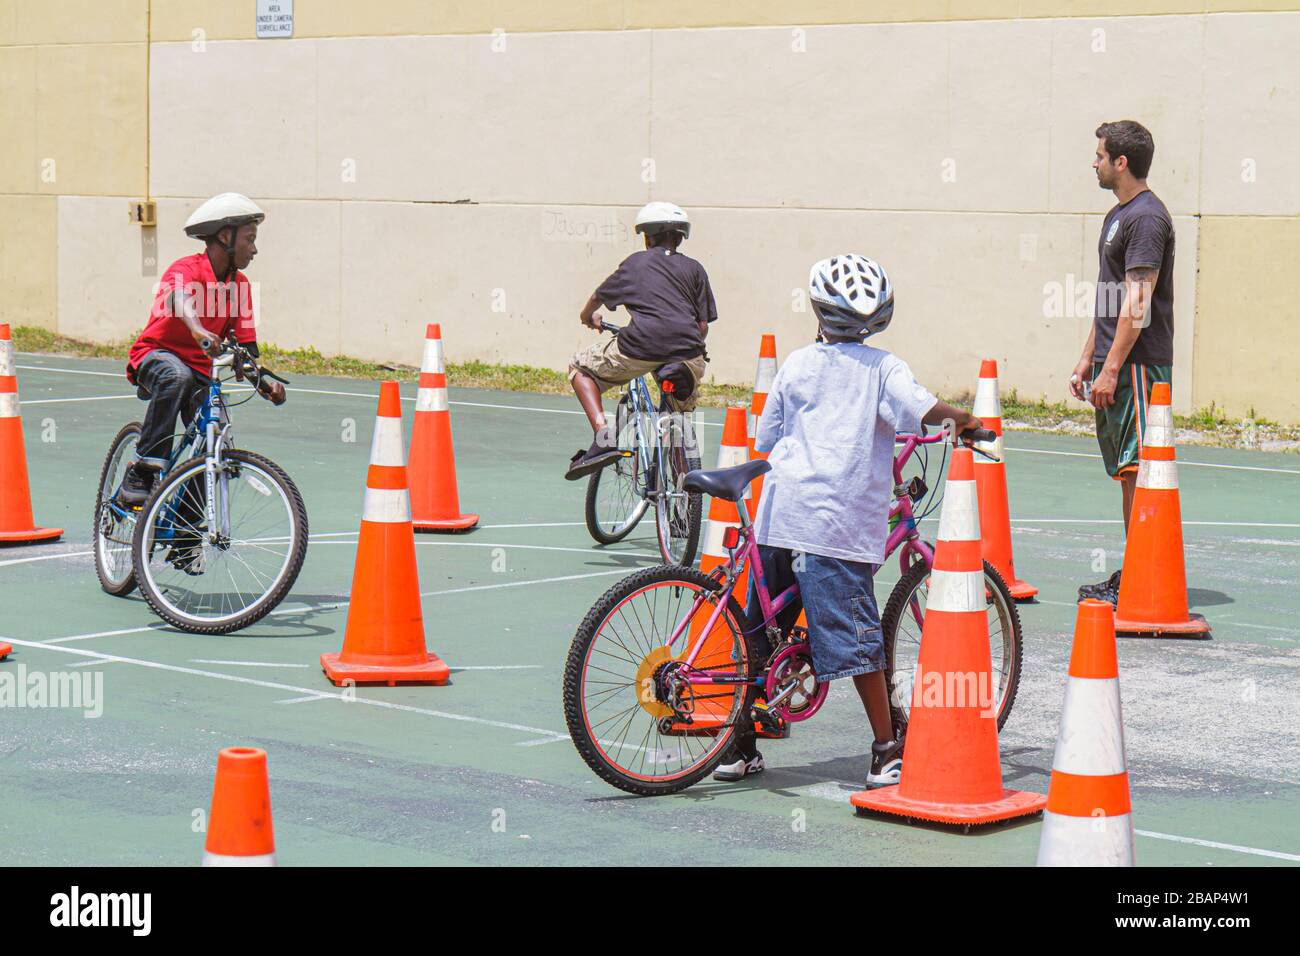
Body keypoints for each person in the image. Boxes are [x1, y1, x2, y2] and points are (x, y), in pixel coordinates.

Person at [713, 254, 984, 786]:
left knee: (758, 636)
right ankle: (886, 750)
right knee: (860, 642)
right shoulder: (884, 367)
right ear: (879, 316)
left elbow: (767, 438)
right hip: (833, 526)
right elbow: (920, 410)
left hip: (779, 516)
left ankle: (737, 746)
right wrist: (967, 421)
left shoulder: (794, 363)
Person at [117, 192, 285, 509]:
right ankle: (142, 470)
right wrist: (197, 330)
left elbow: (243, 350)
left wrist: (263, 384)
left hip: (200, 372)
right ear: (225, 236)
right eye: (249, 239)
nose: (255, 248)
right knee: (176, 376)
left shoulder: (241, 285)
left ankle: (186, 532)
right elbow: (179, 298)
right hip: (156, 357)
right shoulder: (185, 269)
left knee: (218, 438)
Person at [1069, 121, 1175, 605]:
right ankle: (1135, 569)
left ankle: (1139, 576)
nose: (1094, 162)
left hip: (1136, 363)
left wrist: (1113, 366)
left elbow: (1138, 298)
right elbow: (1110, 293)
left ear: (1121, 163)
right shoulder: (1119, 214)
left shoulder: (1147, 219)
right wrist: (1088, 357)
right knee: (1126, 469)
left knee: (1135, 468)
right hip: (1116, 359)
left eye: (1099, 155)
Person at [564, 202, 718, 480]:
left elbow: (599, 297)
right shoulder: (695, 269)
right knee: (678, 416)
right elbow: (703, 325)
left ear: (648, 237)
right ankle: (686, 491)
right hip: (688, 351)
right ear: (681, 237)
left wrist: (588, 316)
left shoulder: (636, 263)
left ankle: (603, 436)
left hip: (641, 345)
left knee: (580, 368)